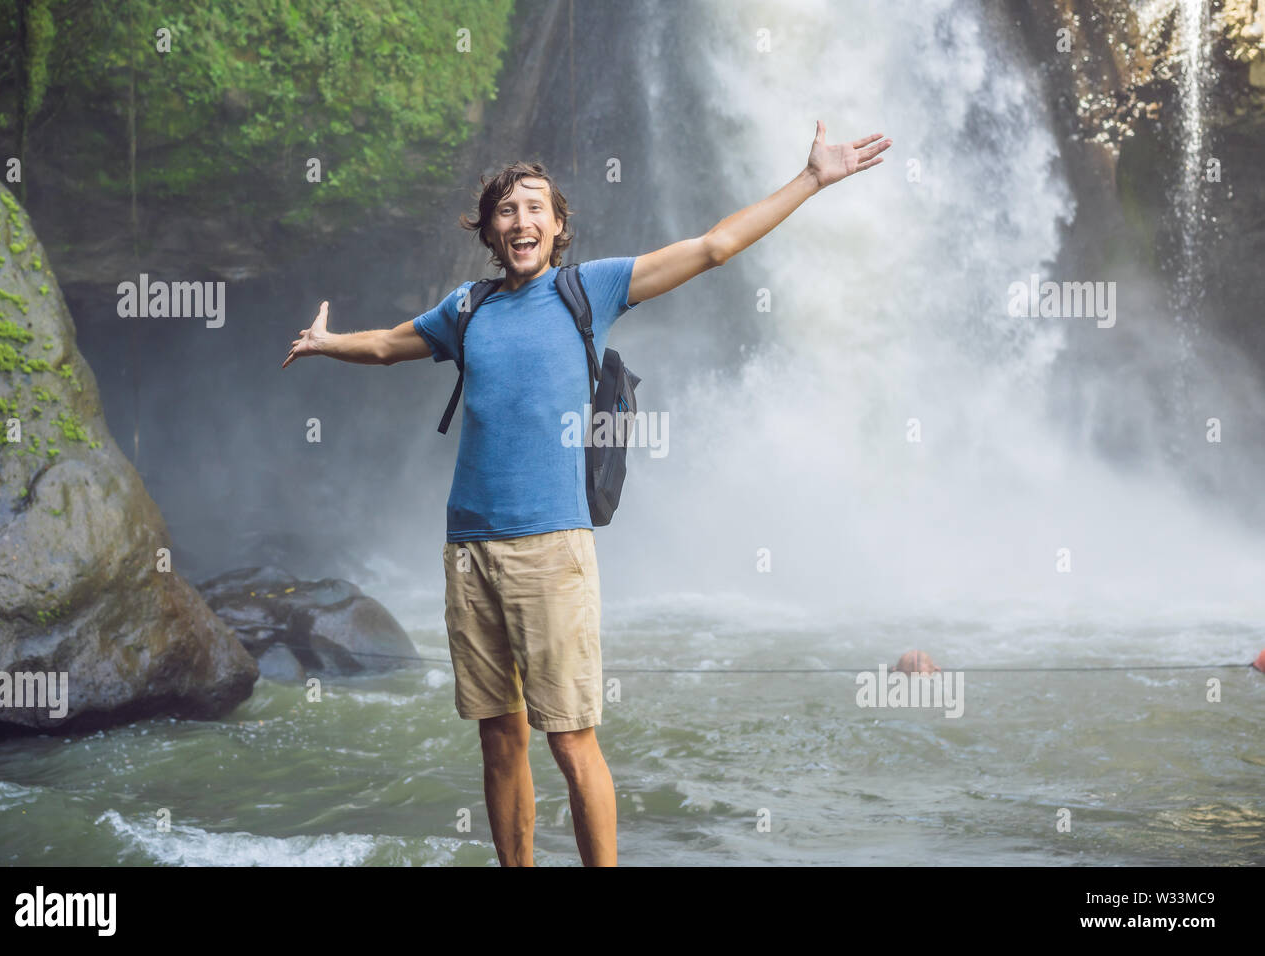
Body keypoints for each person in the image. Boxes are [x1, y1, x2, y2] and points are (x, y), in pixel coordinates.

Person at [282, 121, 891, 866]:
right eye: (506, 210)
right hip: (468, 549)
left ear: (558, 224)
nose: (520, 220)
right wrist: (324, 343)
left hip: (552, 545)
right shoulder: (466, 309)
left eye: (534, 207)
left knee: (570, 738)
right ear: (490, 230)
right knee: (499, 736)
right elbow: (385, 345)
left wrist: (812, 179)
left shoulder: (589, 290)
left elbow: (712, 247)